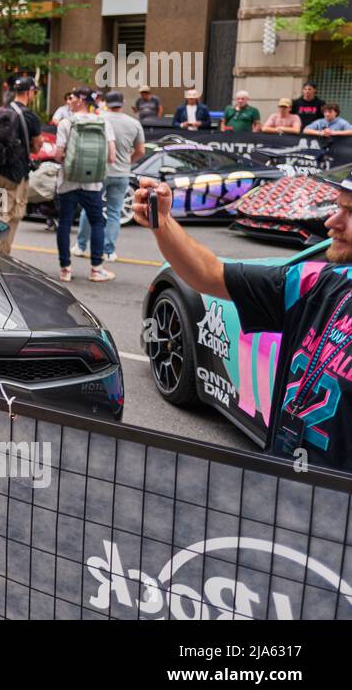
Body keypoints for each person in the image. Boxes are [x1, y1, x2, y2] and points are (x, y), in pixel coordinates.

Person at [136, 170, 352, 471]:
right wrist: (163, 222)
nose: (332, 222)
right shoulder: (318, 283)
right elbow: (209, 274)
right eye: (339, 208)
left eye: (350, 213)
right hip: (283, 487)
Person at [54, 88, 117, 283]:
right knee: (97, 222)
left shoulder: (66, 123)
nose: (69, 100)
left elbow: (58, 155)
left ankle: (66, 269)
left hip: (68, 181)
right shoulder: (103, 122)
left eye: (72, 97)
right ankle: (96, 269)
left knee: (64, 223)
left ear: (81, 100)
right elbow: (111, 157)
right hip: (93, 184)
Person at [76, 91, 145, 263]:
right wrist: (127, 161)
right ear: (122, 104)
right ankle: (109, 251)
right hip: (122, 173)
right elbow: (141, 151)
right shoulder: (134, 123)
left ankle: (81, 245)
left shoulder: (98, 119)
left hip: (99, 172)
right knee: (114, 212)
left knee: (89, 208)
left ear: (106, 103)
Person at [0, 77, 43, 255]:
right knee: (11, 215)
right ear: (30, 92)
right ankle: (3, 255)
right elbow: (37, 145)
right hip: (16, 175)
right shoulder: (30, 116)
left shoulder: (2, 110)